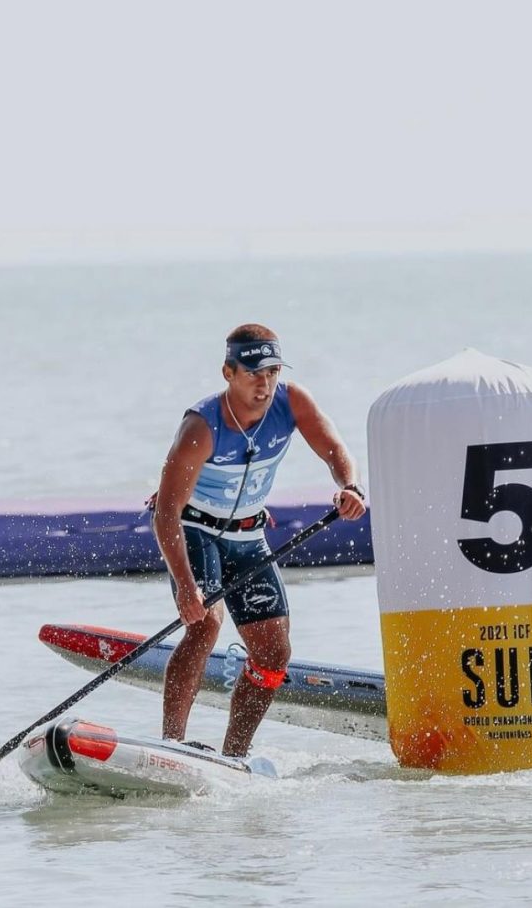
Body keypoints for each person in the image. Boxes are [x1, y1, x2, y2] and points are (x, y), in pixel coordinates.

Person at [151, 323, 366, 756]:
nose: (264, 384)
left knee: (273, 654)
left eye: (272, 372)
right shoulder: (201, 426)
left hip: (248, 536)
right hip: (196, 531)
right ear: (228, 373)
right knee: (204, 625)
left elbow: (333, 448)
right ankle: (172, 743)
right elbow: (166, 514)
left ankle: (235, 755)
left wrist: (349, 486)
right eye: (253, 373)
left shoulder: (293, 401)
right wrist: (187, 587)